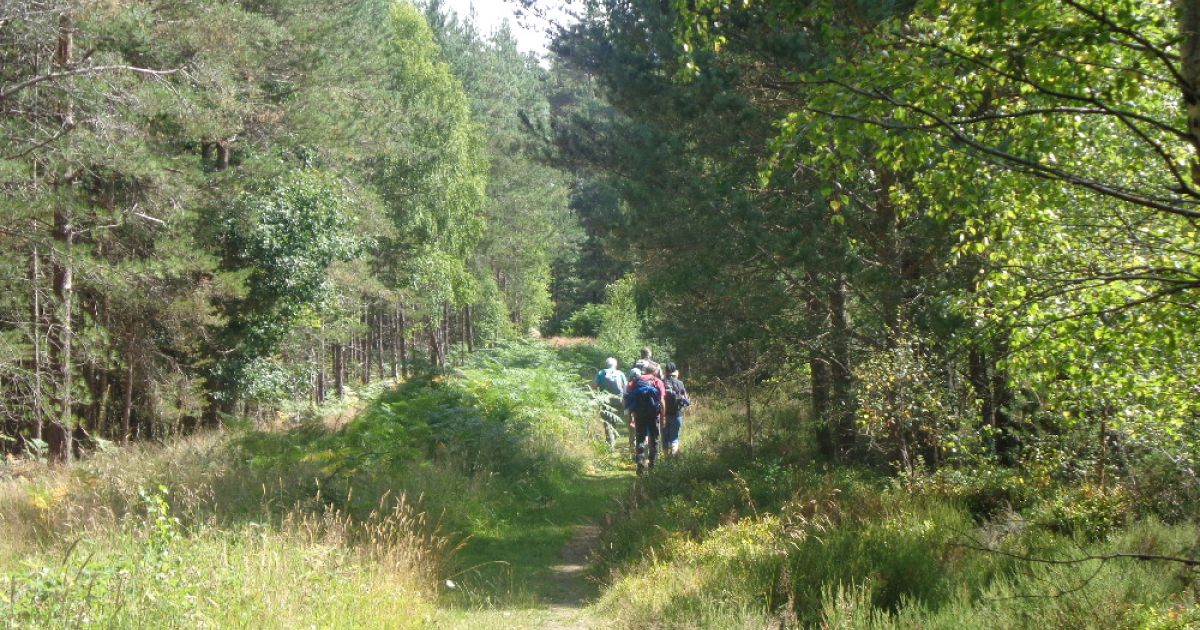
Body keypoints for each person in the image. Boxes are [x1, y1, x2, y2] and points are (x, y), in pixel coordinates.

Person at [623, 365, 666, 474]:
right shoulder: (657, 382)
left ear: (644, 371)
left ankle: (640, 464)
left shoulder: (636, 381)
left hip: (639, 414)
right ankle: (653, 465)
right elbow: (661, 401)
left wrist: (630, 416)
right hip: (653, 415)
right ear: (655, 372)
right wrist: (663, 417)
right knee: (654, 439)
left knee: (640, 438)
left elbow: (628, 399)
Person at [593, 358, 627, 447]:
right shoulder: (620, 373)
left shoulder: (601, 373)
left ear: (606, 364)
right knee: (614, 420)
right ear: (615, 365)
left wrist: (597, 393)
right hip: (617, 400)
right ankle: (613, 439)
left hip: (605, 400)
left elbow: (594, 385)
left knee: (607, 422)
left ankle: (610, 442)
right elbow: (626, 388)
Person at [661, 362, 690, 457]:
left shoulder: (661, 382)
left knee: (665, 438)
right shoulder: (679, 383)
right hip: (677, 414)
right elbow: (686, 399)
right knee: (674, 437)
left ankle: (665, 460)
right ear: (675, 371)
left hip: (663, 415)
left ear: (665, 371)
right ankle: (673, 460)